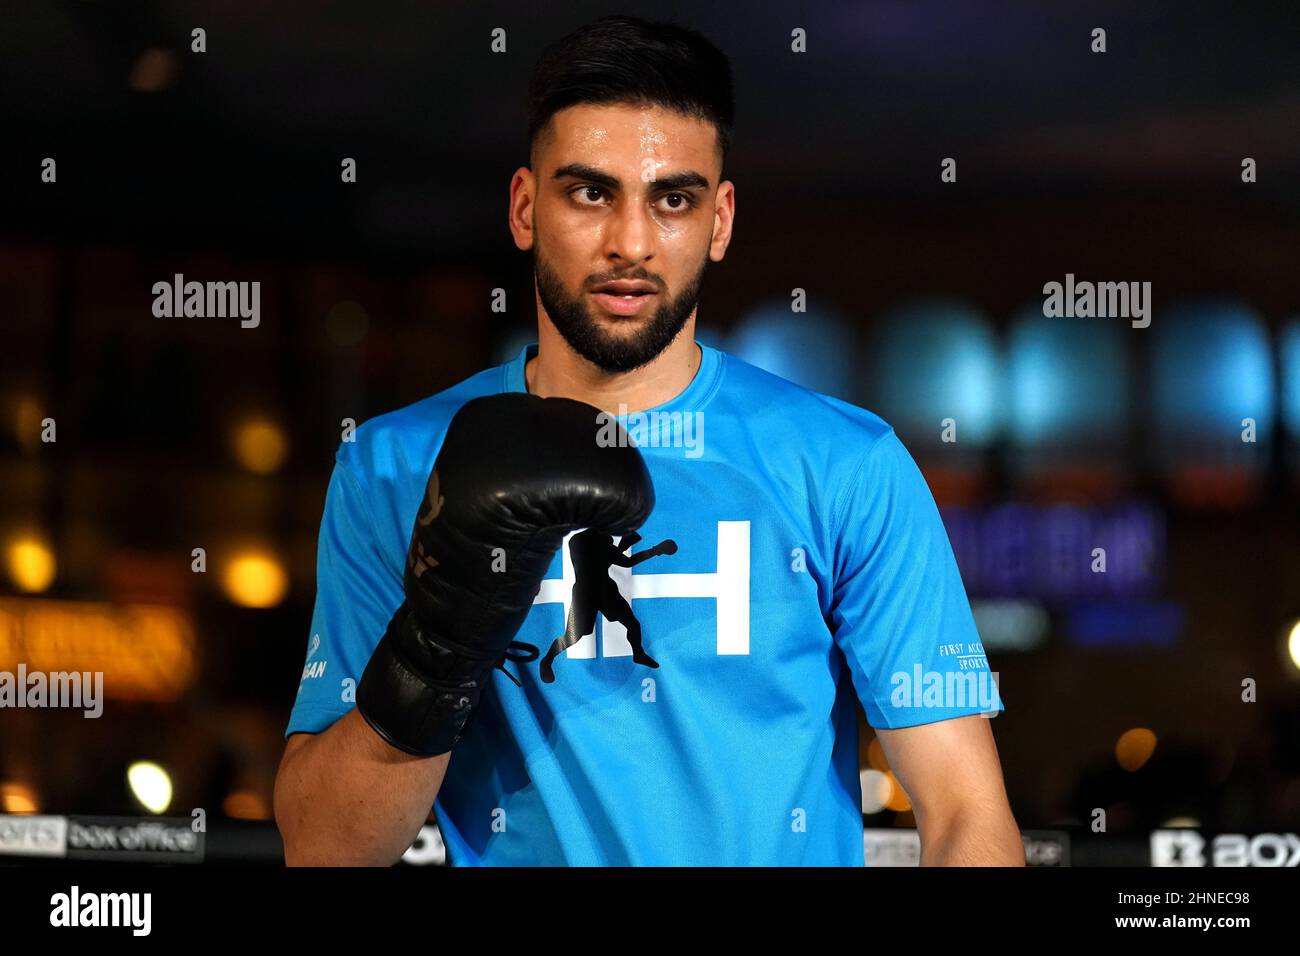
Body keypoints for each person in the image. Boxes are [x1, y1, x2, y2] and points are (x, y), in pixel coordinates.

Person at [274, 14, 1023, 866]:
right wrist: (438, 643)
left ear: (721, 220)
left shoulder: (848, 463)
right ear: (524, 208)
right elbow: (325, 847)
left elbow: (968, 818)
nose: (630, 243)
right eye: (589, 192)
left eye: (673, 199)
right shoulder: (394, 465)